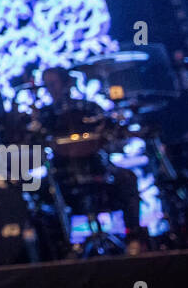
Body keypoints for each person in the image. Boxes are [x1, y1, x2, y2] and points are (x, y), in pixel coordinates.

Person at [35, 67, 147, 253]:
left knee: (127, 178)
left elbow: (112, 134)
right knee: (38, 196)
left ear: (66, 83)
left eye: (53, 84)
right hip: (62, 173)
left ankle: (133, 238)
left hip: (98, 167)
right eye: (46, 85)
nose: (50, 89)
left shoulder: (89, 107)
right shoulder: (45, 115)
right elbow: (36, 140)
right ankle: (60, 251)